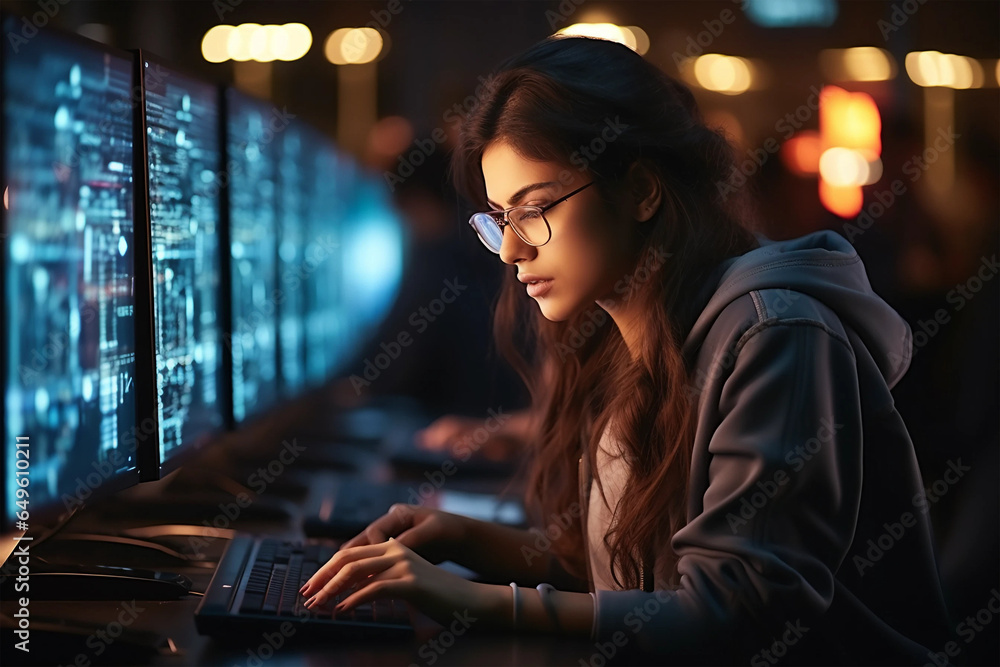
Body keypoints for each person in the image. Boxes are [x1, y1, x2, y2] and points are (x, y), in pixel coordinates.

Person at [301, 36, 953, 664]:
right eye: (499, 217)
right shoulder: (618, 335)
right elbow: (631, 576)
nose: (510, 249)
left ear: (642, 190)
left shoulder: (778, 336)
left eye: (535, 208)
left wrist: (471, 598)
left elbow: (736, 615)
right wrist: (464, 539)